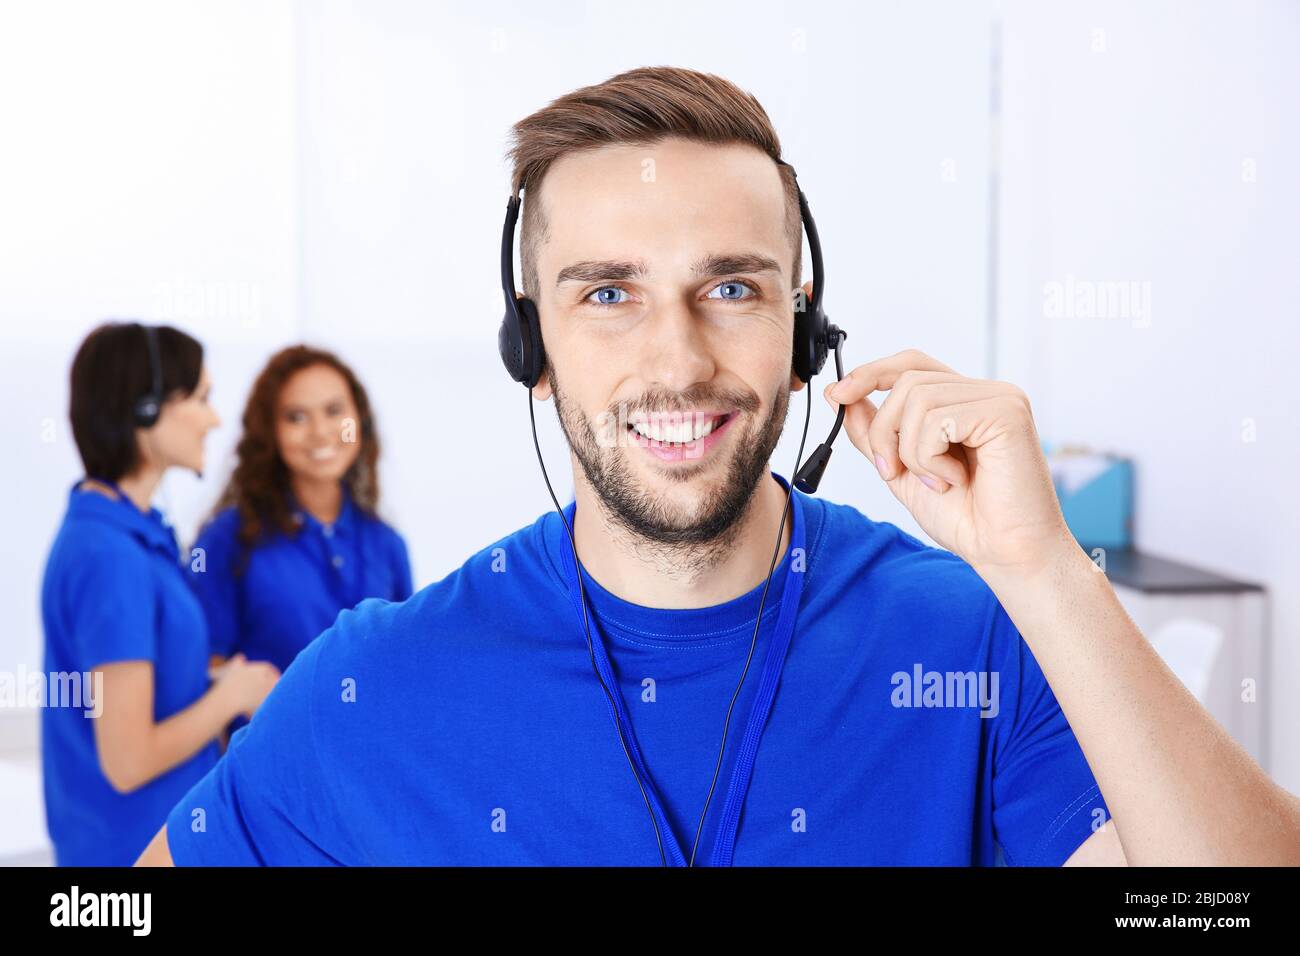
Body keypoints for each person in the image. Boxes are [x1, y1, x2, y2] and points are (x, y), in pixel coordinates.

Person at [140, 67, 1300, 866]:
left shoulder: (975, 638)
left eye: (732, 287)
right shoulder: (376, 683)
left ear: (803, 339)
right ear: (531, 346)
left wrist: (1047, 571)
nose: (677, 358)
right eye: (607, 293)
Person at [41, 321, 279, 866]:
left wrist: (209, 681)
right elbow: (128, 759)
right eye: (200, 399)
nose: (215, 418)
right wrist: (232, 696)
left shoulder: (131, 535)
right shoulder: (109, 555)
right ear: (145, 411)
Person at [188, 346, 412, 720]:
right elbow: (204, 678)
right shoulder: (228, 539)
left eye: (334, 411)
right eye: (296, 417)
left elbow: (403, 669)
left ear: (360, 419)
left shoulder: (386, 544)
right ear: (270, 432)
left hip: (365, 767)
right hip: (268, 768)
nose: (320, 432)